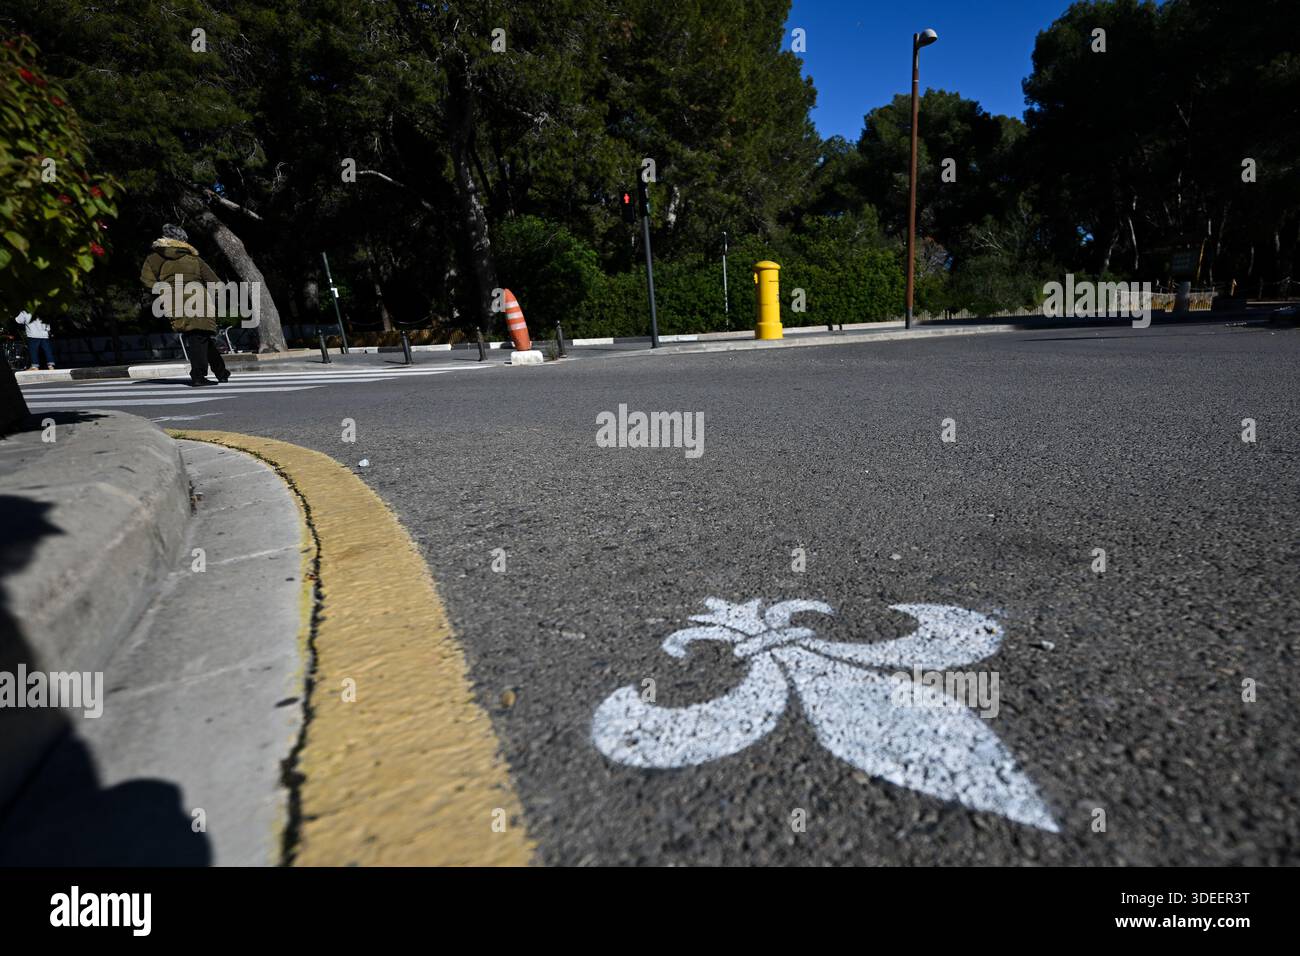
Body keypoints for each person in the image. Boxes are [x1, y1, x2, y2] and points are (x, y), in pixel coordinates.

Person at [139, 223, 229, 386]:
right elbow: (215, 282)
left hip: (172, 301)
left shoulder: (153, 258)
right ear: (183, 241)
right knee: (198, 336)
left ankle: (221, 372)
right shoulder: (194, 259)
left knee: (199, 336)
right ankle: (198, 376)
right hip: (198, 300)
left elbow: (147, 281)